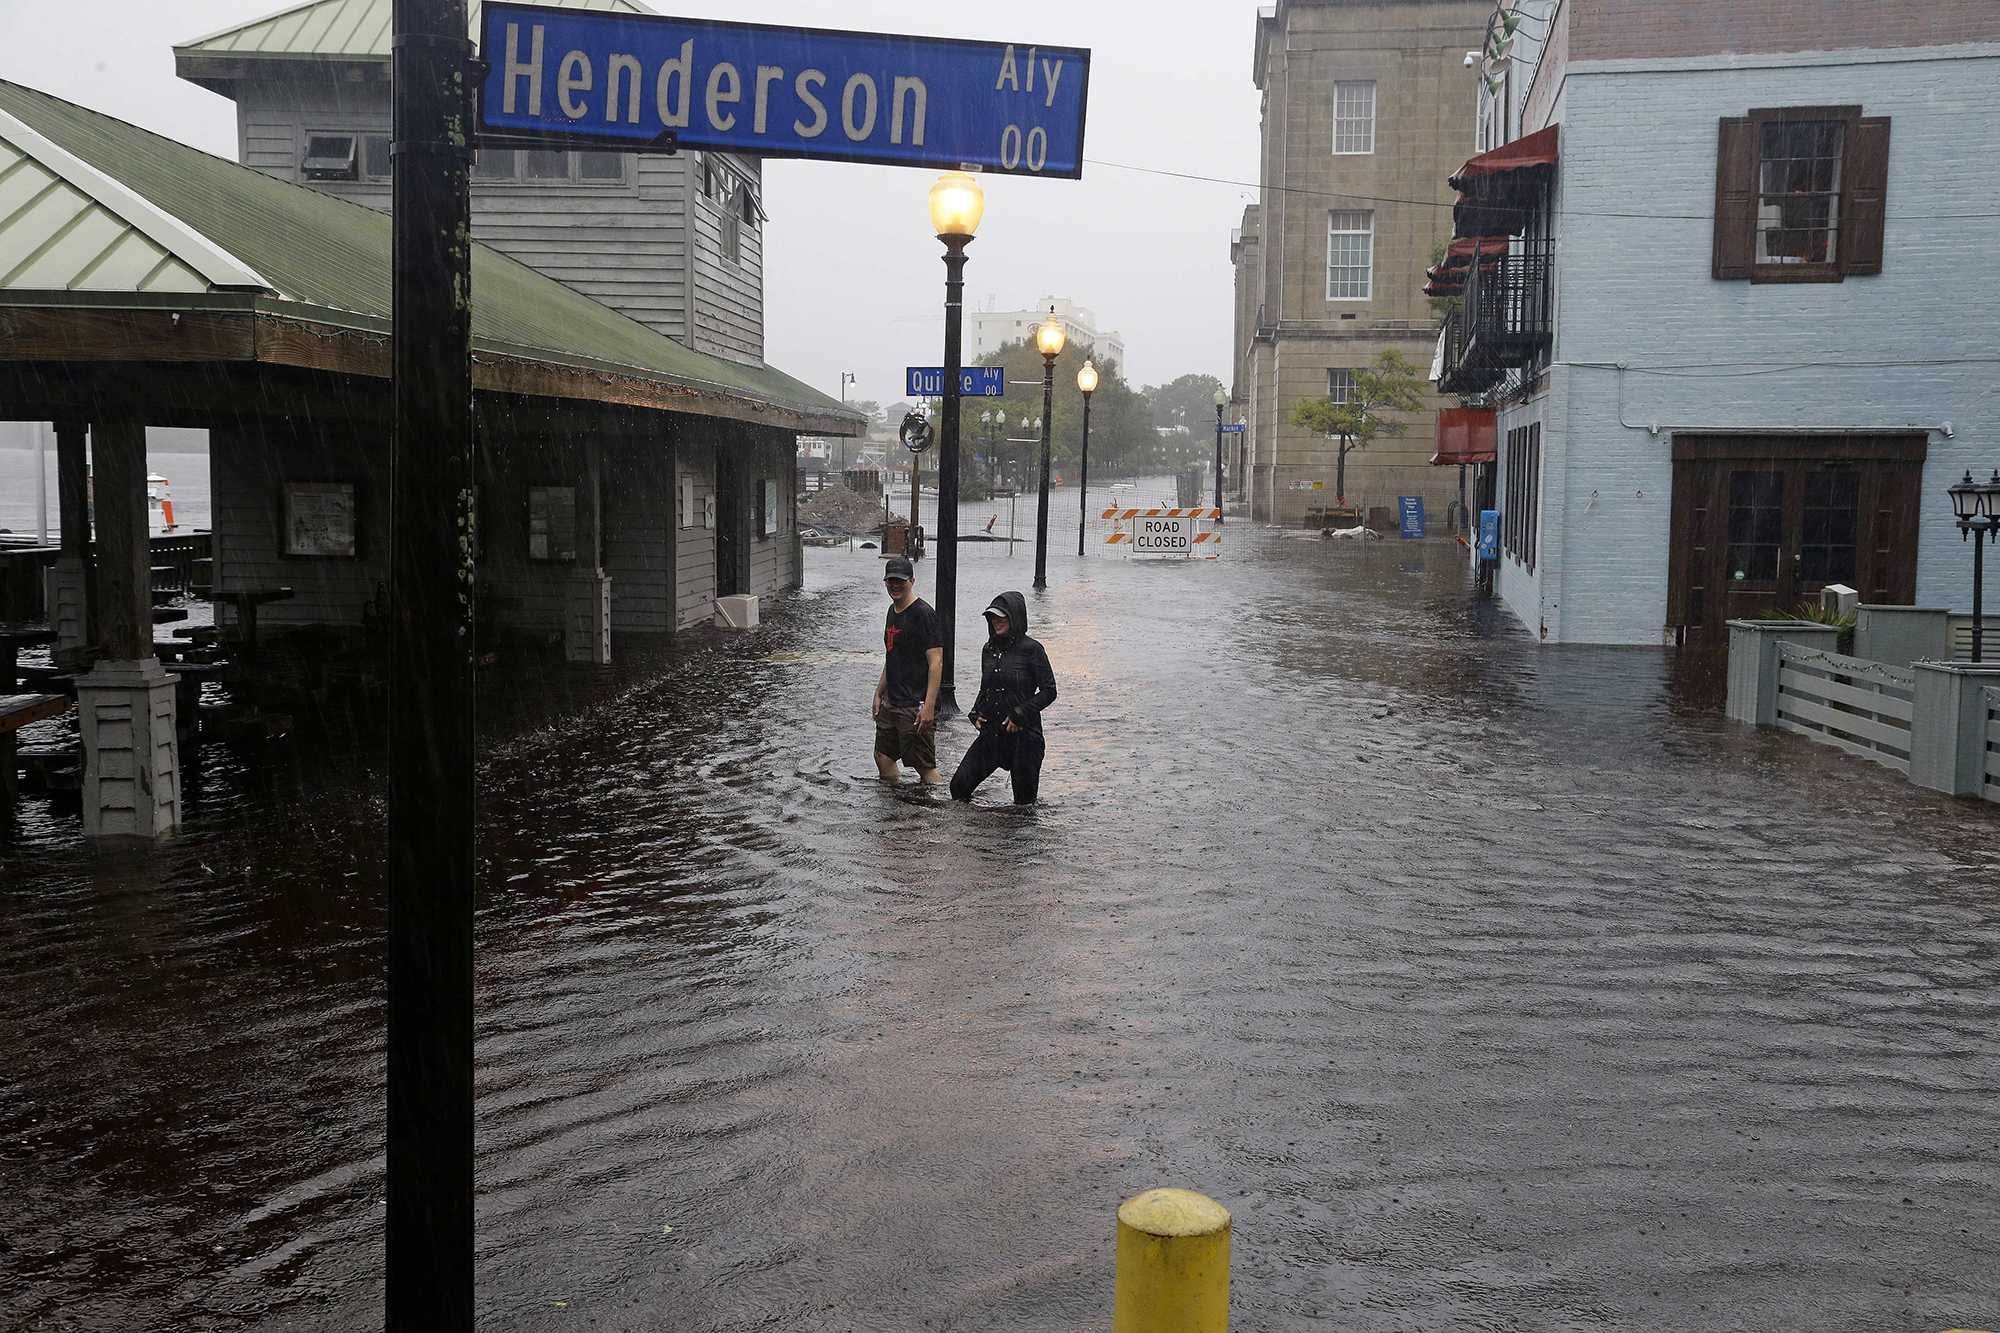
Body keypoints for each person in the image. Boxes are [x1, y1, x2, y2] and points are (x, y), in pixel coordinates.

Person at [950, 590, 1058, 805]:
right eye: (992, 617)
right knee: (958, 787)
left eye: (1002, 617)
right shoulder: (988, 649)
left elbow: (1049, 691)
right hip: (993, 735)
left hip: (1025, 738)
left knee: (1023, 807)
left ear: (1015, 617)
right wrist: (975, 712)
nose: (996, 621)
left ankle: (1014, 839)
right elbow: (986, 688)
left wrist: (1020, 713)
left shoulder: (1033, 650)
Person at [872, 555, 943, 784]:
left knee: (924, 766)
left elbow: (936, 663)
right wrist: (878, 692)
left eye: (900, 581)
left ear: (912, 580)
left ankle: (938, 809)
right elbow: (892, 656)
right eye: (890, 581)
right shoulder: (892, 612)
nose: (895, 585)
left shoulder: (924, 614)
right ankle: (899, 808)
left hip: (914, 704)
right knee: (883, 756)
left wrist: (929, 707)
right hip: (891, 701)